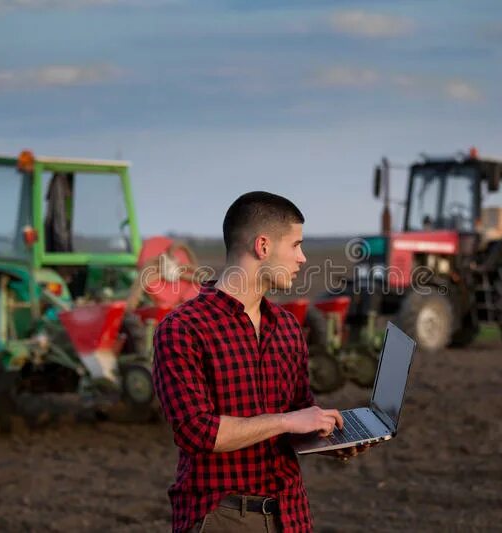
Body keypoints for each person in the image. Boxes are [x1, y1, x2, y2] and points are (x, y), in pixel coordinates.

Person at [153, 191, 364, 533]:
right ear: (263, 246)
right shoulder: (182, 330)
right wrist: (286, 421)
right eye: (295, 245)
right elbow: (198, 433)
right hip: (221, 517)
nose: (302, 258)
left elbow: (298, 417)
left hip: (291, 515)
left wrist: (328, 440)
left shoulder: (287, 328)